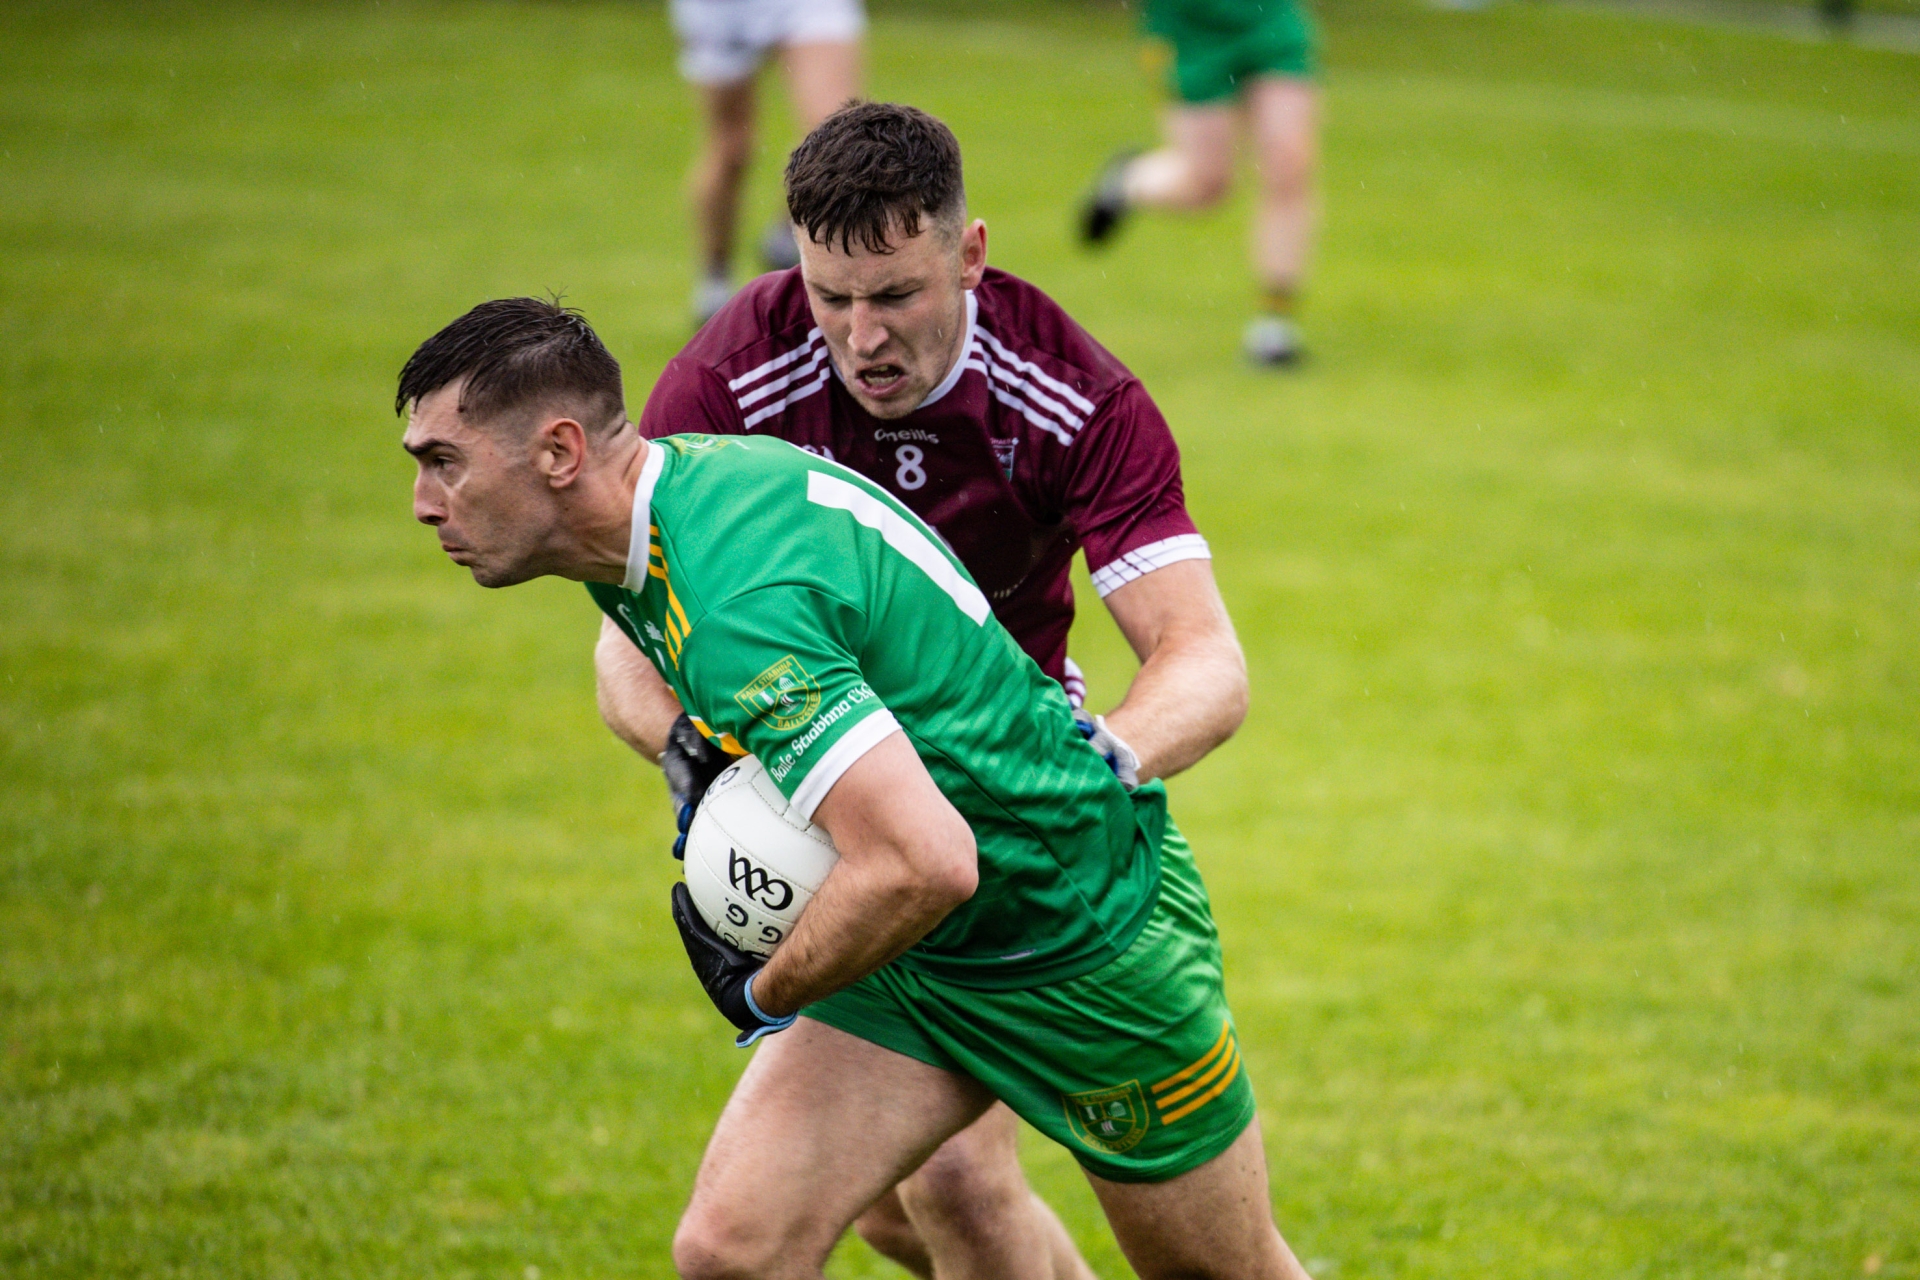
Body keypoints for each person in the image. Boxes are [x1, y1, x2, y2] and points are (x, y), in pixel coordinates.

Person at [396, 295, 1316, 1280]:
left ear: (560, 452)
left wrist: (755, 983)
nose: (423, 499)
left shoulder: (740, 595)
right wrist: (696, 762)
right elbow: (634, 655)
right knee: (733, 1249)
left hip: (1072, 932)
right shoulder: (659, 507)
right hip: (917, 938)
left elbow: (926, 860)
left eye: (442, 459)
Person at [597, 101, 1252, 1279]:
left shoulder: (1070, 395)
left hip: (1012, 812)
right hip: (844, 805)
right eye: (829, 296)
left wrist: (1096, 759)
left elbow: (1204, 658)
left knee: (969, 1186)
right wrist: (702, 764)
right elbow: (633, 636)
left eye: (894, 294)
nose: (860, 335)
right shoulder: (736, 371)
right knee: (857, 1216)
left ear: (970, 254)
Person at [1079, 0, 1320, 367]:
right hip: (1187, 26)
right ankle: (1130, 181)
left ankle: (1275, 322)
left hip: (1268, 15)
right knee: (1207, 185)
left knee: (1288, 164)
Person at [670, 0, 865, 326]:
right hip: (724, 9)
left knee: (837, 130)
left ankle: (786, 233)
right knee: (732, 148)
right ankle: (715, 281)